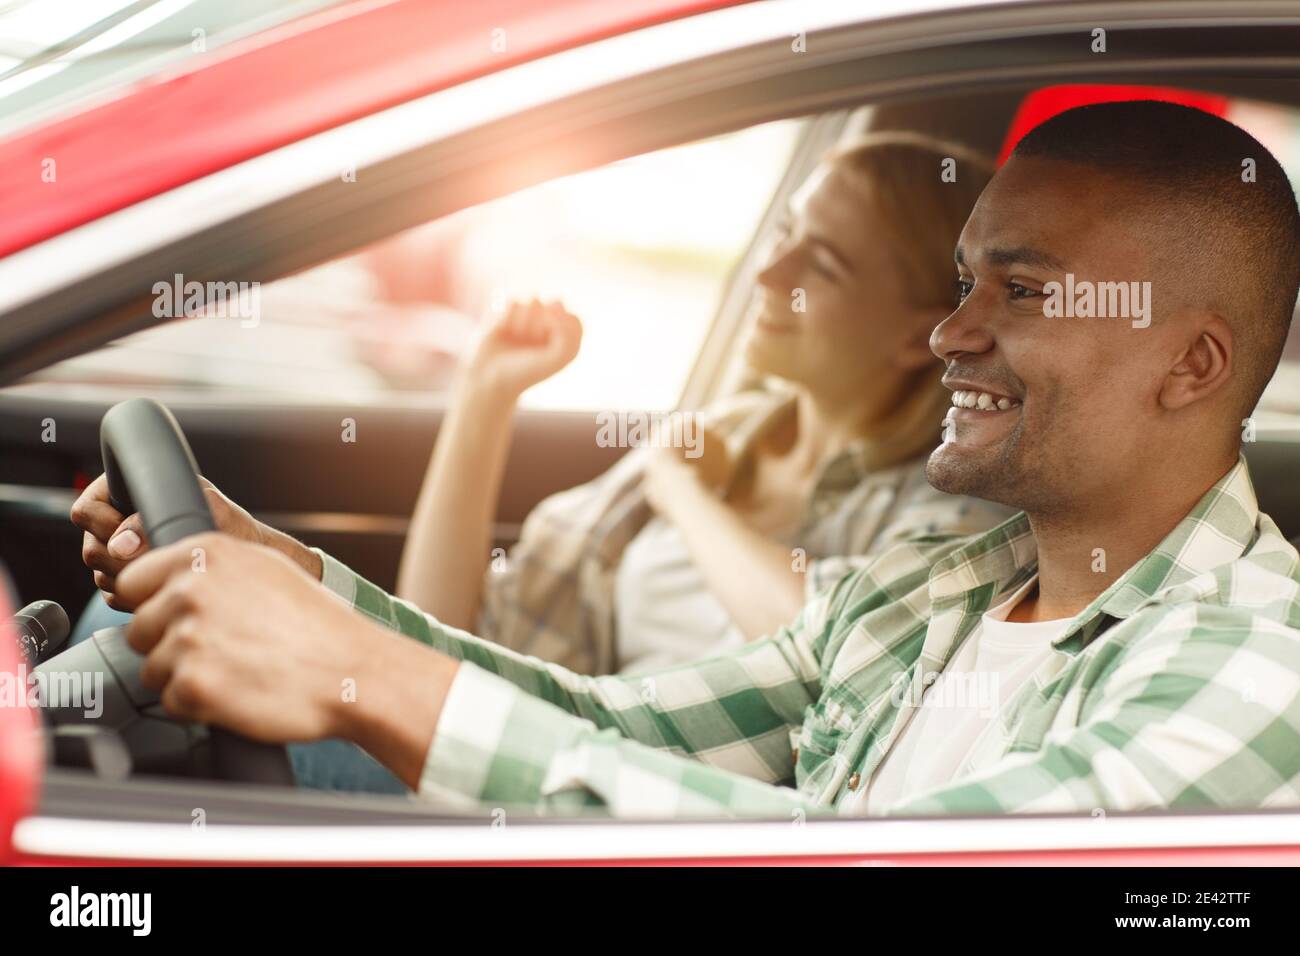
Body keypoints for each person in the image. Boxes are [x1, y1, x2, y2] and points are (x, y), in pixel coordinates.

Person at [72, 101, 1300, 817]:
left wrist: (366, 682)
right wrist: (289, 575)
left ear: (1190, 367)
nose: (950, 332)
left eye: (1019, 288)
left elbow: (890, 863)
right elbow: (609, 721)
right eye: (960, 278)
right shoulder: (928, 586)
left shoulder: (1253, 664)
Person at [395, 132, 1009, 677]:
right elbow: (437, 645)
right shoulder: (720, 434)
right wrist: (485, 394)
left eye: (820, 263)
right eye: (784, 233)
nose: (769, 273)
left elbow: (836, 653)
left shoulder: (951, 510)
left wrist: (680, 493)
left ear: (917, 335)